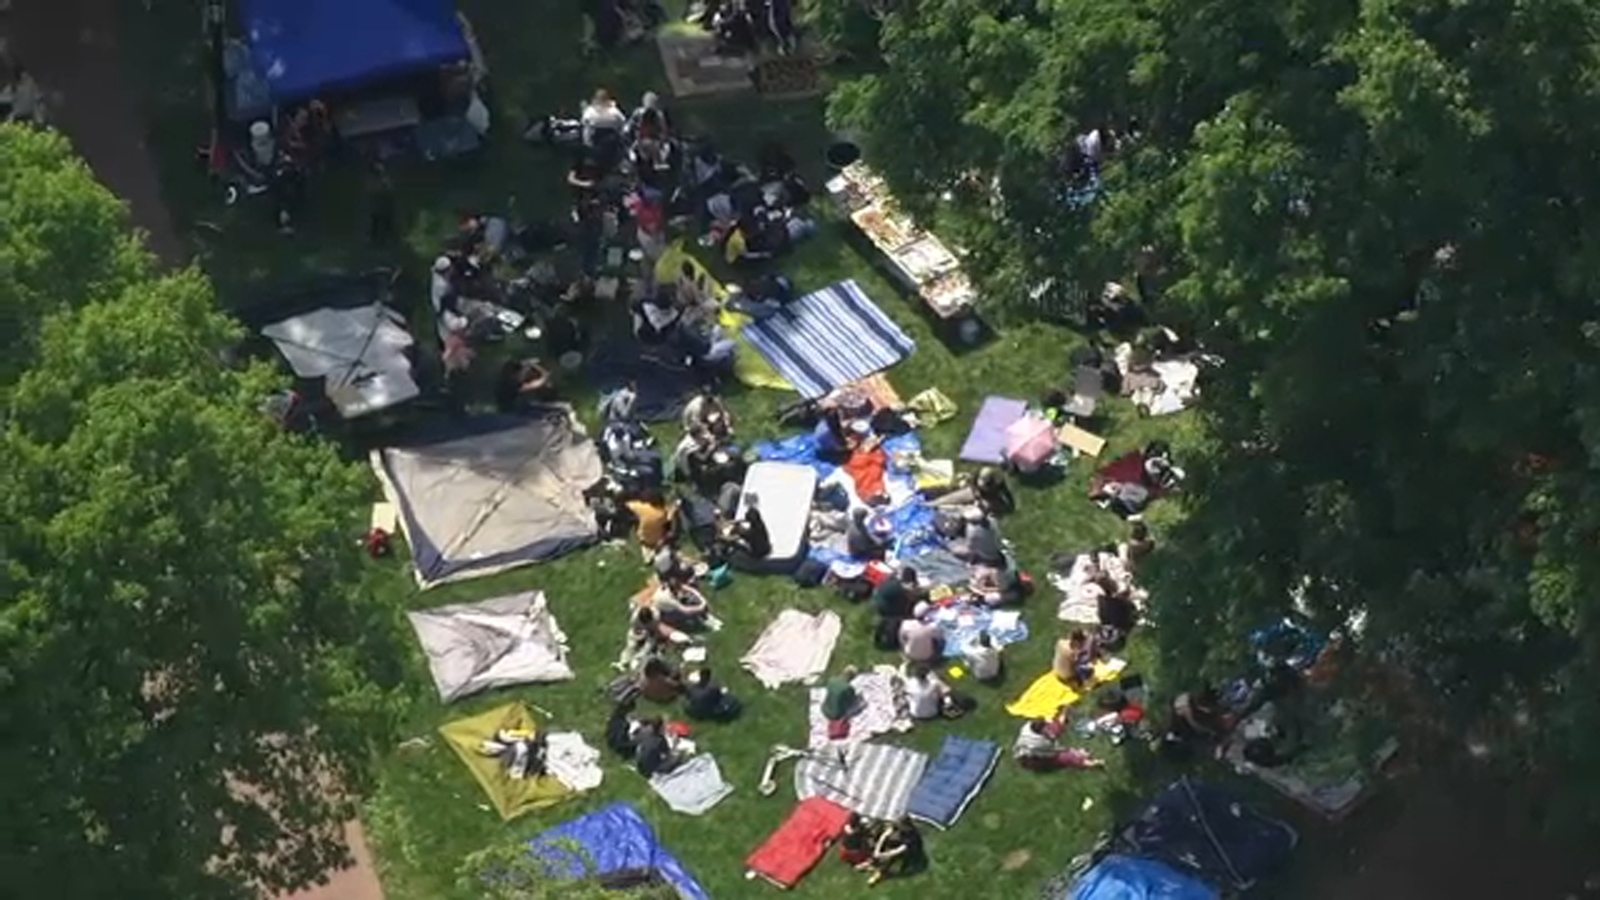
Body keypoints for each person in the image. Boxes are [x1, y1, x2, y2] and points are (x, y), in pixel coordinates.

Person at [1014, 715, 1105, 772]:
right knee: (1068, 758)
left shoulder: (1027, 727)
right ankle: (1094, 764)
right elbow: (1054, 751)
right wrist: (1076, 752)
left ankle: (1084, 758)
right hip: (1035, 759)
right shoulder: (1040, 742)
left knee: (1057, 726)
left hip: (1026, 751)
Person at [857, 817, 927, 886]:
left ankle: (880, 872)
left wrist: (881, 855)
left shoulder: (911, 837)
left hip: (910, 852)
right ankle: (871, 863)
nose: (898, 827)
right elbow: (884, 836)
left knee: (890, 856)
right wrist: (877, 849)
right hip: (899, 845)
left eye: (900, 826)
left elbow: (898, 851)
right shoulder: (898, 826)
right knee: (888, 843)